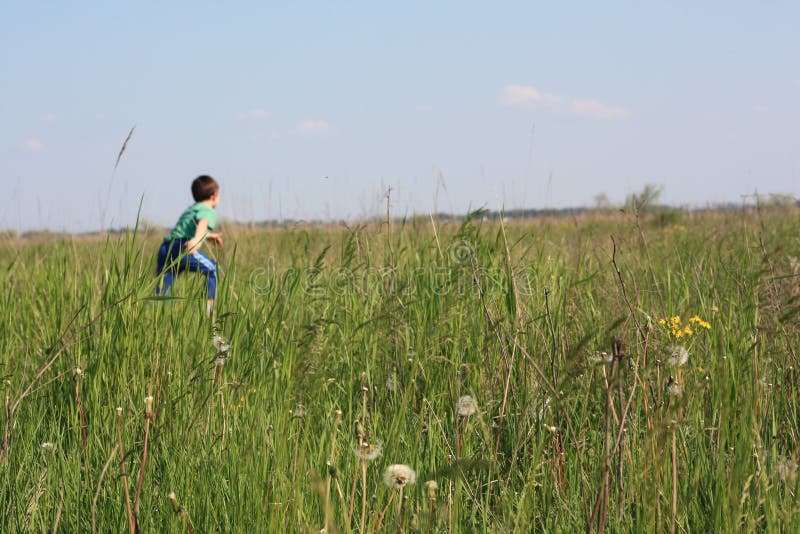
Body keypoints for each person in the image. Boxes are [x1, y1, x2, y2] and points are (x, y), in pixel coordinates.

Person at [156, 175, 223, 314]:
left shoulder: (192, 209)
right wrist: (197, 240)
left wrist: (208, 236)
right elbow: (203, 223)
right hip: (182, 247)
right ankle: (209, 312)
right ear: (214, 195)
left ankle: (157, 316)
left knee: (163, 290)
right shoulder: (208, 210)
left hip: (166, 248)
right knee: (213, 270)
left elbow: (184, 229)